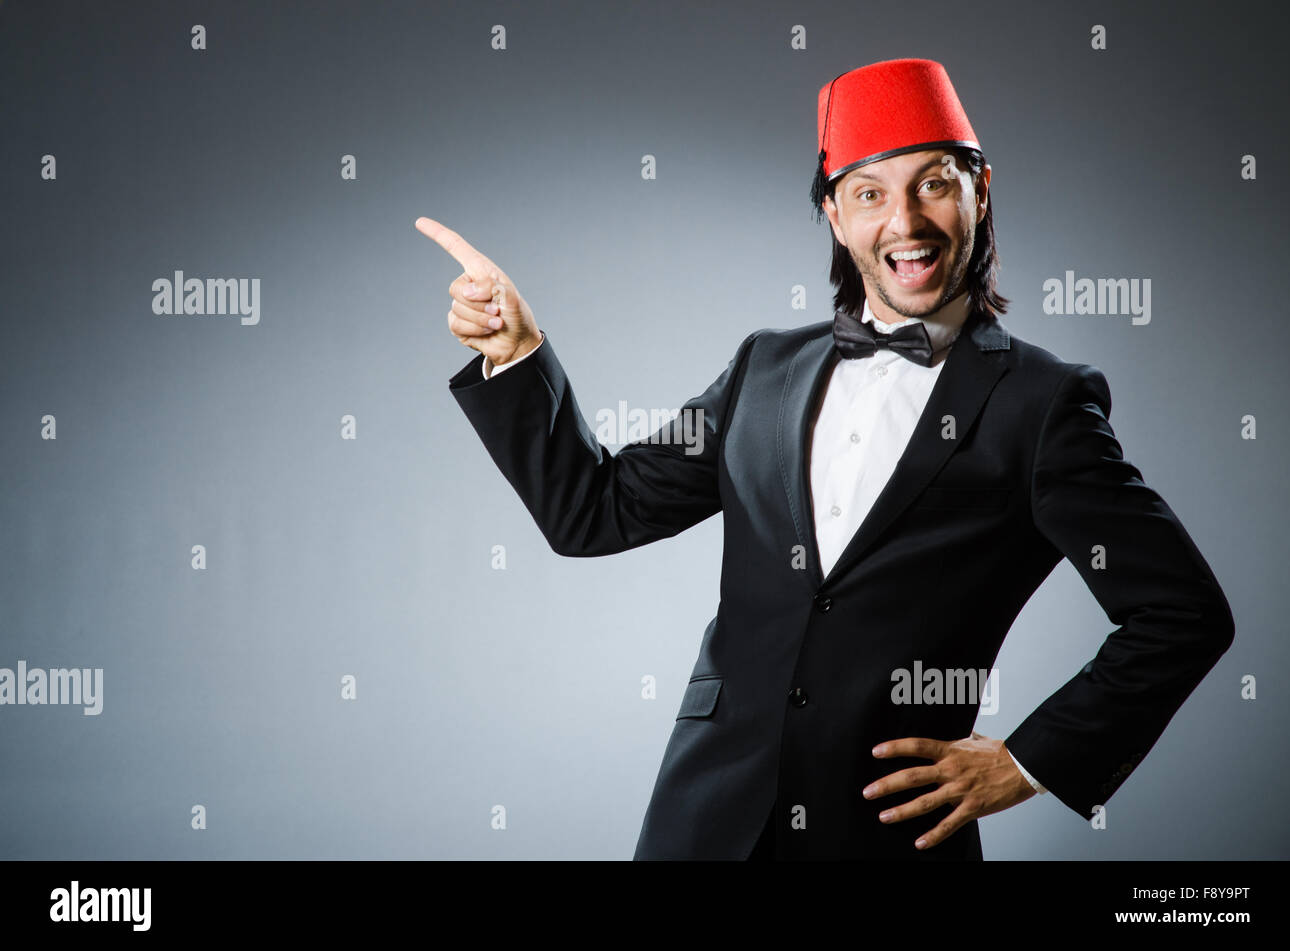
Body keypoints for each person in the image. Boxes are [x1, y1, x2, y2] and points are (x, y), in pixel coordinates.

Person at [417, 58, 1234, 860]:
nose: (905, 223)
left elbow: (1182, 614)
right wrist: (518, 353)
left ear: (981, 193)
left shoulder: (1043, 404)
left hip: (887, 833)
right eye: (870, 193)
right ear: (836, 217)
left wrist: (1026, 763)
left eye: (934, 183)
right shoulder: (762, 370)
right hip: (706, 820)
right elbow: (594, 511)